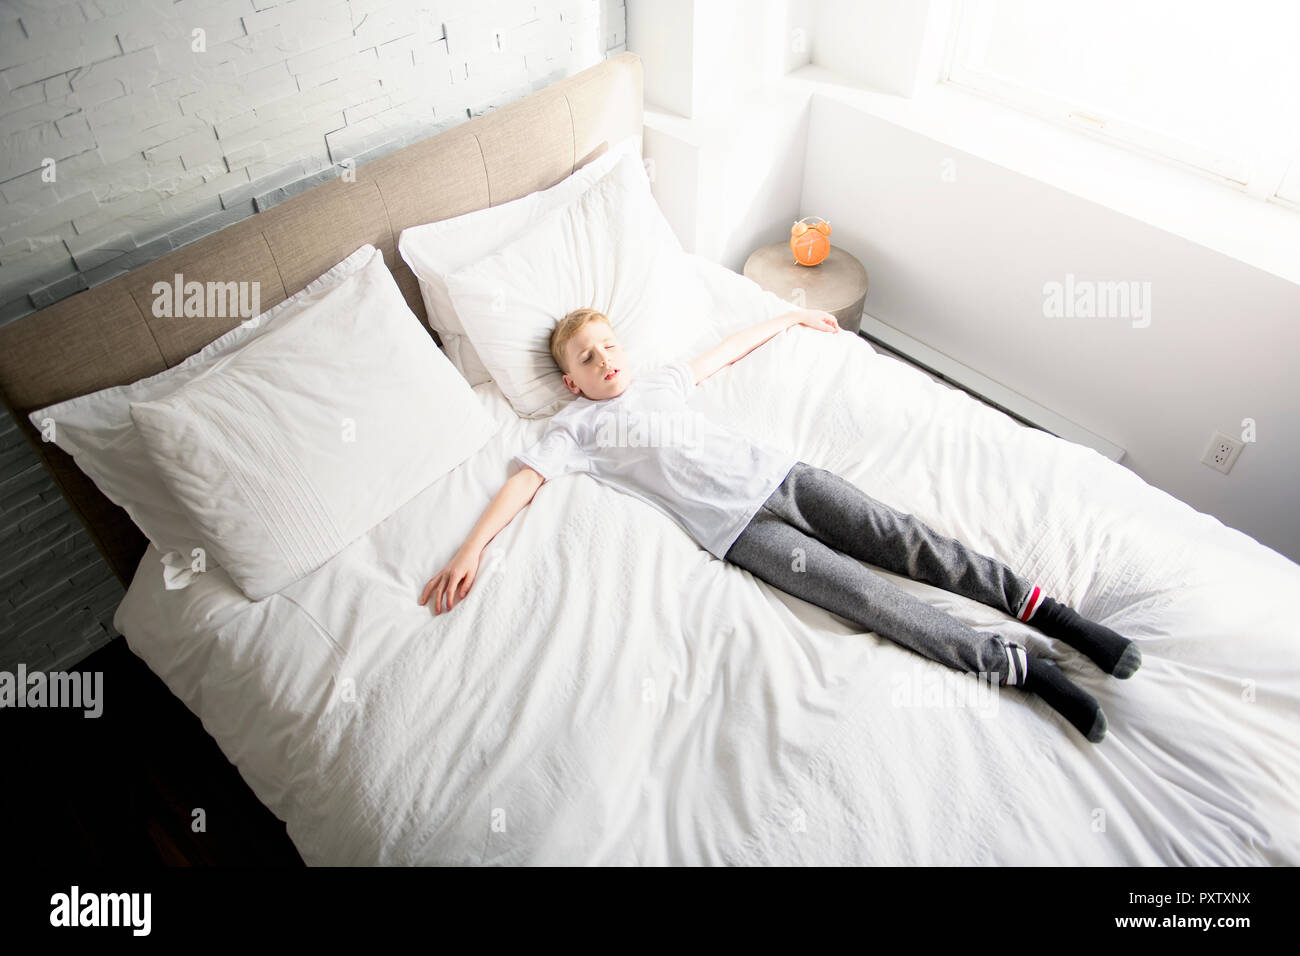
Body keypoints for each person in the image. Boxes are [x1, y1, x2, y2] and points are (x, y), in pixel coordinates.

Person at [419, 307, 1140, 743]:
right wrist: (471, 549)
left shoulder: (663, 378)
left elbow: (725, 351)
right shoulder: (576, 429)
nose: (605, 360)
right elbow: (524, 481)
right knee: (868, 599)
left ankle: (1055, 616)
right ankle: (1021, 668)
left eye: (610, 346)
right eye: (587, 358)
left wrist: (790, 317)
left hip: (788, 478)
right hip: (746, 536)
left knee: (910, 542)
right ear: (572, 381)